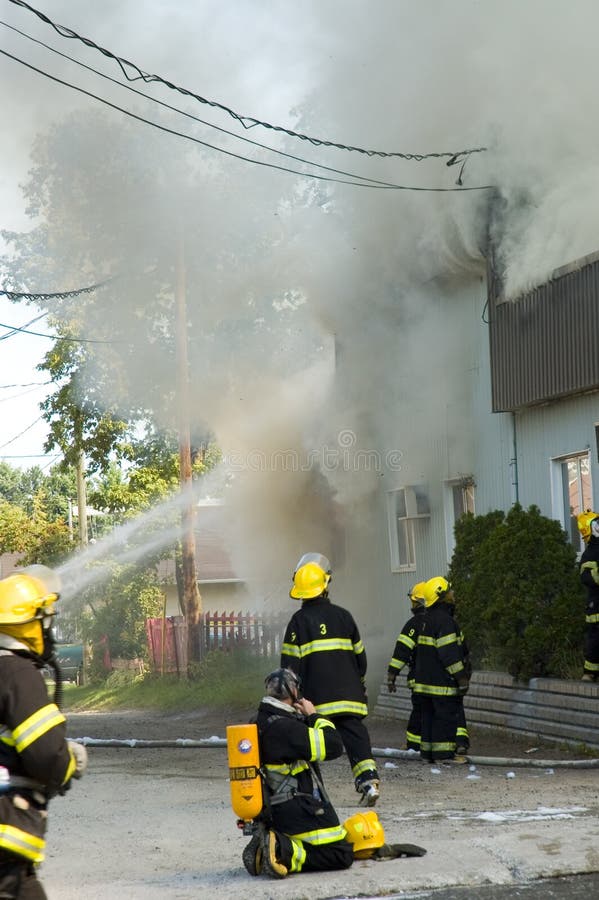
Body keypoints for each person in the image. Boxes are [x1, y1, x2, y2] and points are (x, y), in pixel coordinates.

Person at [0, 565, 88, 899]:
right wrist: (70, 760)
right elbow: (46, 755)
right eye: (44, 621)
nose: (48, 630)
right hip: (5, 849)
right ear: (27, 623)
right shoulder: (17, 673)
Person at [280, 553, 380, 805]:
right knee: (357, 738)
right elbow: (361, 657)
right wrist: (359, 683)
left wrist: (293, 699)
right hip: (350, 697)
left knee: (309, 743)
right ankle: (369, 782)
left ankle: (315, 792)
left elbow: (290, 667)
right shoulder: (344, 616)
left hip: (317, 702)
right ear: (325, 586)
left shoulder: (298, 622)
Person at [242, 667, 354, 878]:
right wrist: (314, 715)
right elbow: (333, 745)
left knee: (333, 843)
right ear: (294, 693)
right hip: (296, 808)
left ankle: (270, 845)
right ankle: (285, 852)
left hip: (271, 809)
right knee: (341, 853)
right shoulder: (285, 728)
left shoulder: (258, 721)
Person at [412, 576, 470, 764]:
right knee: (444, 719)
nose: (453, 594)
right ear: (442, 597)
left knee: (428, 718)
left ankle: (428, 754)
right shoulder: (446, 622)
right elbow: (450, 655)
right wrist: (461, 678)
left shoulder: (424, 620)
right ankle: (444, 756)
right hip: (442, 684)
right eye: (449, 591)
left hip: (424, 684)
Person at [386, 582, 427, 751]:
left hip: (420, 679)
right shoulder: (444, 622)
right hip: (442, 679)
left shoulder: (413, 625)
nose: (413, 606)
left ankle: (414, 745)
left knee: (419, 711)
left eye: (414, 602)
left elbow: (401, 652)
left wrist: (392, 675)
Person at [577, 510, 599, 681]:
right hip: (596, 606)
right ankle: (589, 673)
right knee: (595, 638)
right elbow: (588, 577)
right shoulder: (590, 554)